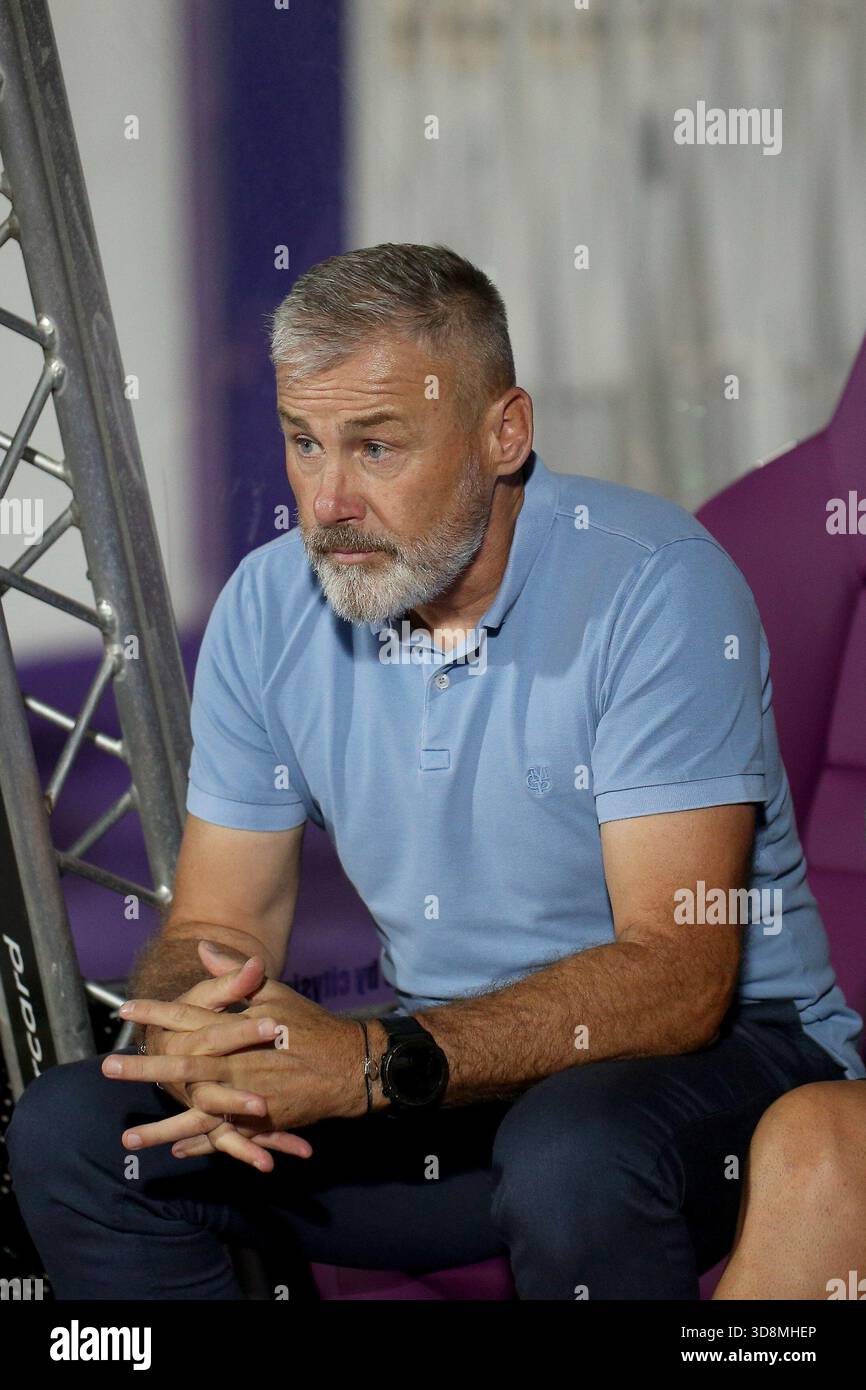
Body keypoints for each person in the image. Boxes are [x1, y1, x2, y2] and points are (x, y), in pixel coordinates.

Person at [7, 243, 865, 1300]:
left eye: (375, 447)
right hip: (445, 1068)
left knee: (574, 1153)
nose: (326, 501)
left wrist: (371, 1062)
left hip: (719, 1061)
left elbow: (677, 979)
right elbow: (216, 923)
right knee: (80, 1132)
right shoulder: (271, 603)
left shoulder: (653, 586)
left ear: (504, 432)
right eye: (303, 443)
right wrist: (204, 1031)